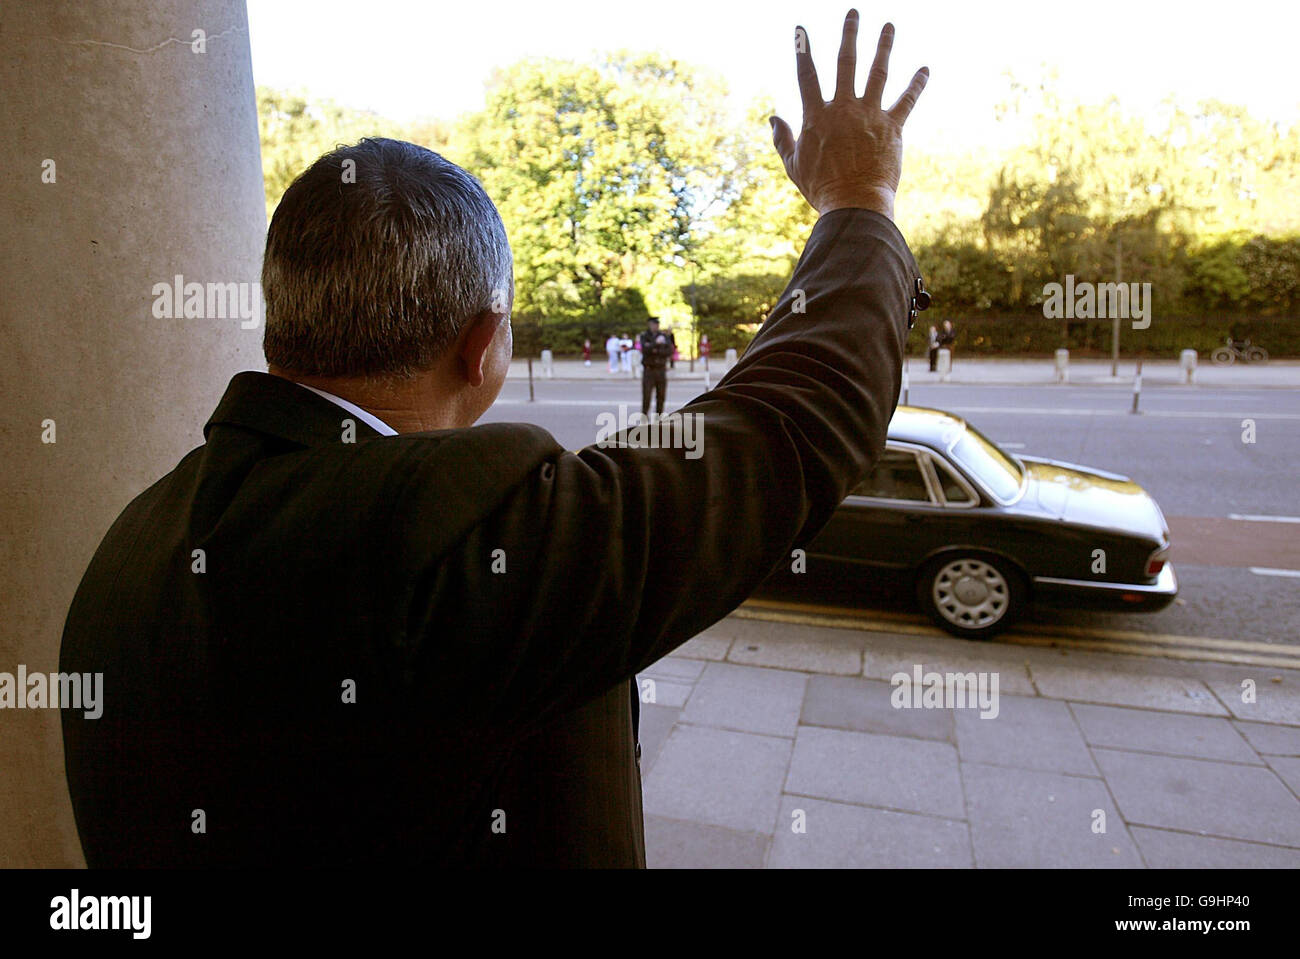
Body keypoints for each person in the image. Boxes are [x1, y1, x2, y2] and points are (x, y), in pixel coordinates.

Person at [59, 10, 928, 868]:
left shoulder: (132, 540)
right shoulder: (463, 532)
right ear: (484, 347)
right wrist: (859, 200)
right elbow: (791, 427)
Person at [638, 316, 673, 417]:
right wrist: (656, 344)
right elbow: (645, 349)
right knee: (647, 396)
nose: (655, 327)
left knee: (661, 397)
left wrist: (655, 349)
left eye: (657, 325)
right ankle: (644, 418)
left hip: (661, 370)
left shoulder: (663, 336)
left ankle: (658, 419)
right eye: (653, 324)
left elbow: (669, 350)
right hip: (649, 370)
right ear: (650, 325)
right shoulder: (645, 336)